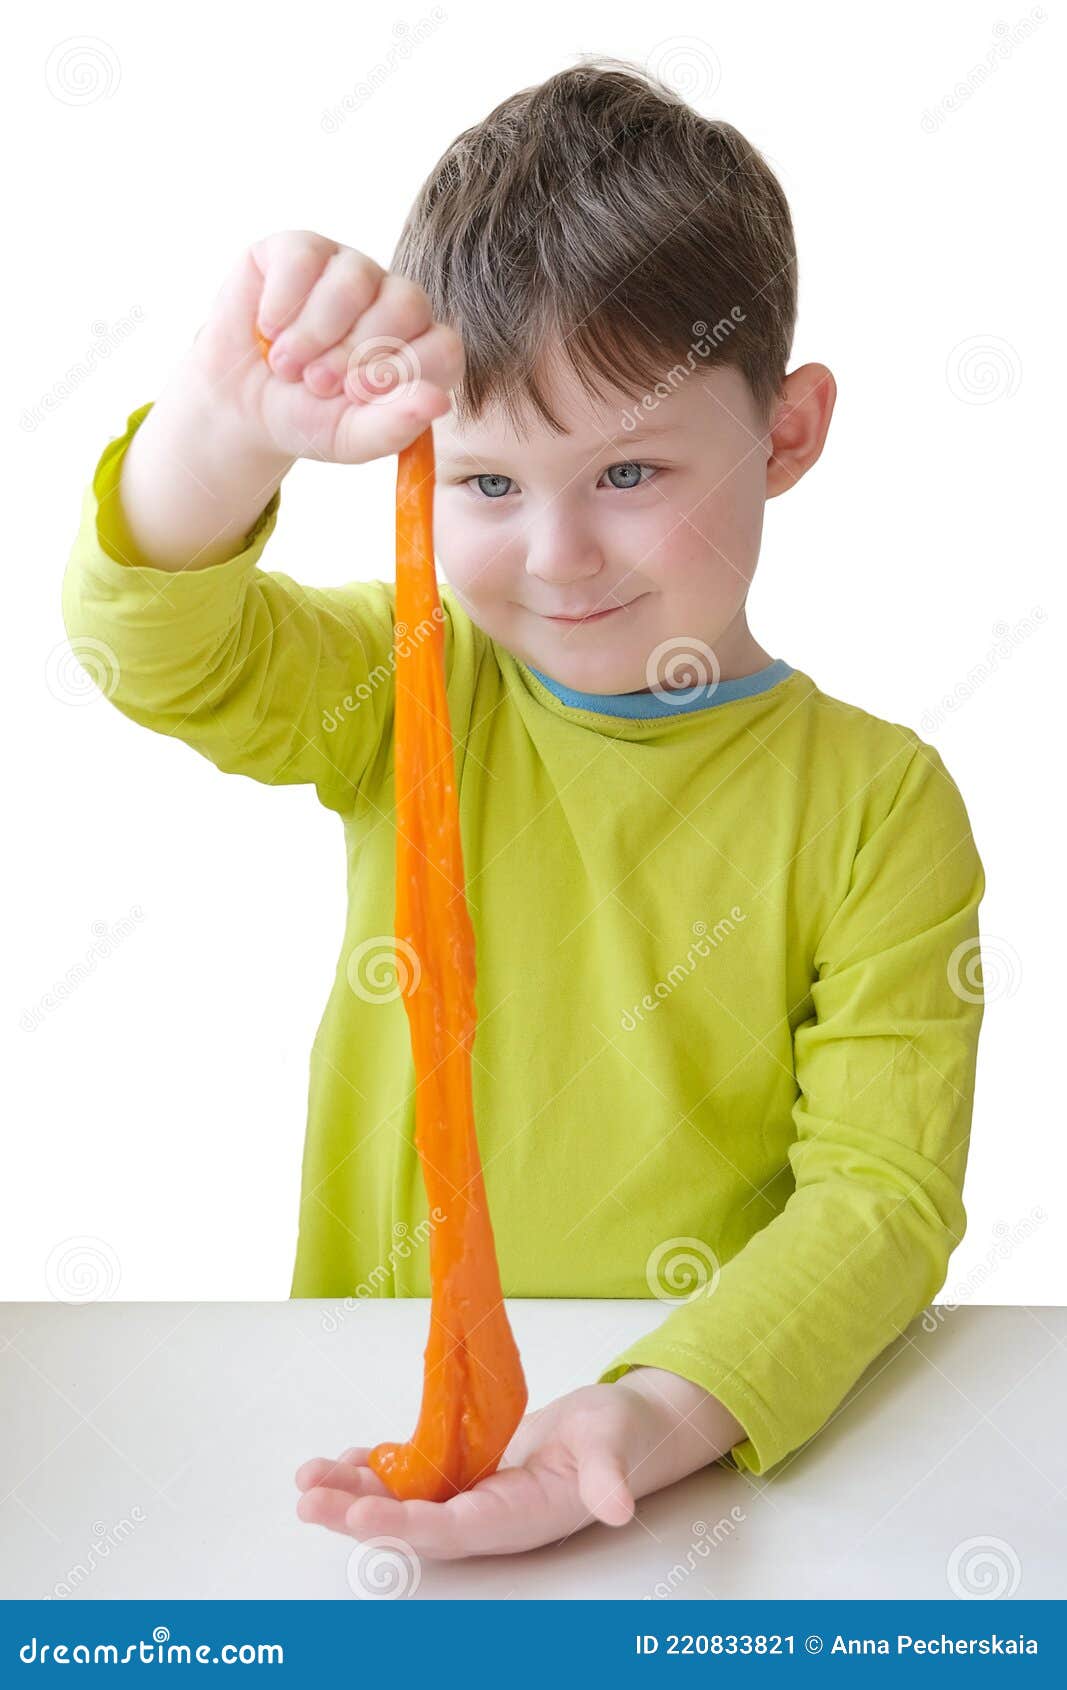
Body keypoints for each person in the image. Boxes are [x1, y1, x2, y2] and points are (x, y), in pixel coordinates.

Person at [60, 58, 986, 1560]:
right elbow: (152, 648)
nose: (556, 556)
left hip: (699, 1474)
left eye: (627, 469)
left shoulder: (880, 807)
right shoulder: (414, 682)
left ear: (790, 433)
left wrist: (654, 1410)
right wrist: (221, 432)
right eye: (484, 485)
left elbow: (879, 1198)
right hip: (377, 1443)